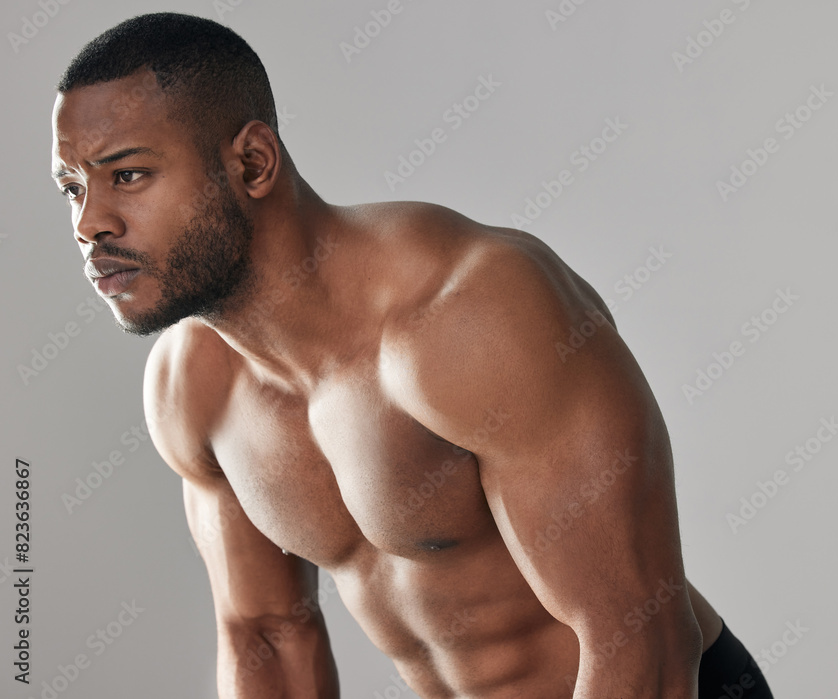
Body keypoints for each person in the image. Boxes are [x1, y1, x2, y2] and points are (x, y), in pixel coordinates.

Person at [50, 12, 774, 699]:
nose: (90, 222)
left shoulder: (470, 313)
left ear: (253, 162)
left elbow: (638, 639)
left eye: (128, 175)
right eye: (73, 187)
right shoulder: (193, 384)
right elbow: (266, 633)